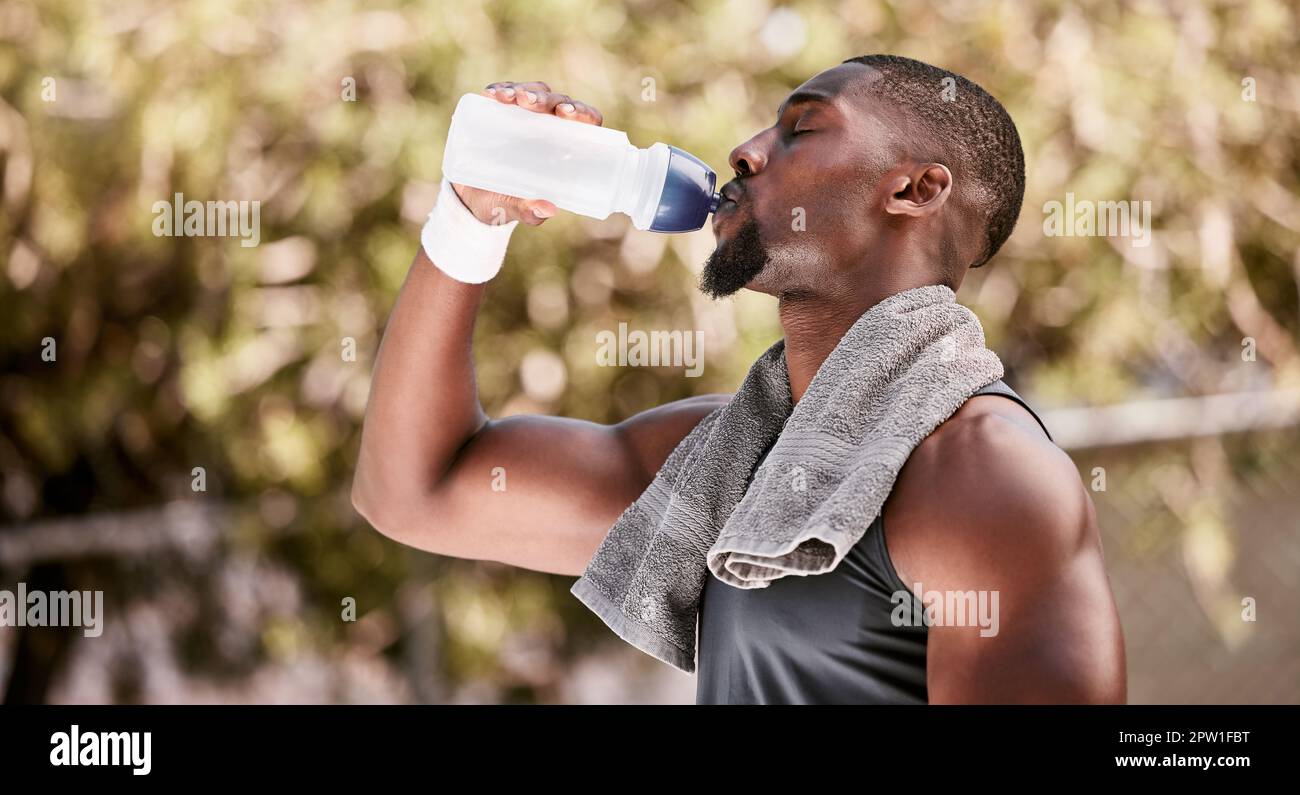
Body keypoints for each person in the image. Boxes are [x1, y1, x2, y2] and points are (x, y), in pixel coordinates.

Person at [351, 55, 1127, 704]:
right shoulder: (722, 464)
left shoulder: (983, 473)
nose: (746, 151)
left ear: (915, 190)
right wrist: (471, 217)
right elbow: (418, 489)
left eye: (804, 128)